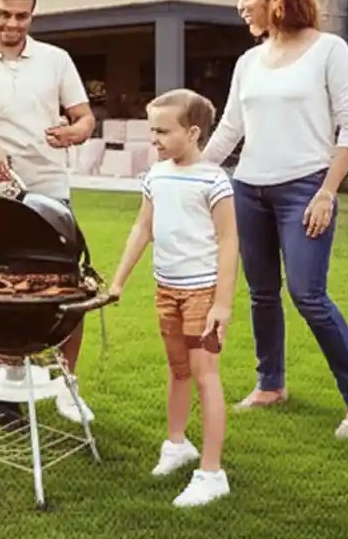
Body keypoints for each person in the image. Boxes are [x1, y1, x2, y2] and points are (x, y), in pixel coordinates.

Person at [201, 0, 348, 439]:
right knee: (262, 294)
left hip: (305, 188)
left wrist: (327, 192)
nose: (240, 6)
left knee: (308, 294)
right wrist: (192, 170)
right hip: (249, 189)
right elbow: (231, 129)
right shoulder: (248, 61)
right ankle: (270, 384)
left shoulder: (329, 51)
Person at [0, 0, 97, 424]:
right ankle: (6, 395)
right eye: (5, 14)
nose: (13, 24)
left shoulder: (56, 59)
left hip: (51, 190)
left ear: (34, 13)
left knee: (71, 289)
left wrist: (74, 131)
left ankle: (68, 387)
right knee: (1, 298)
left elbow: (85, 118)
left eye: (23, 16)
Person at [109, 88, 237, 507]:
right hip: (167, 289)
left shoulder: (214, 180)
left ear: (194, 132)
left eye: (163, 131)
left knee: (205, 375)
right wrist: (119, 280)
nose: (155, 138)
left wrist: (222, 303)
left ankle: (212, 473)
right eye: (152, 129)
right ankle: (178, 444)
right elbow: (142, 229)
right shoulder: (156, 175)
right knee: (178, 369)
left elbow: (228, 240)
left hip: (202, 292)